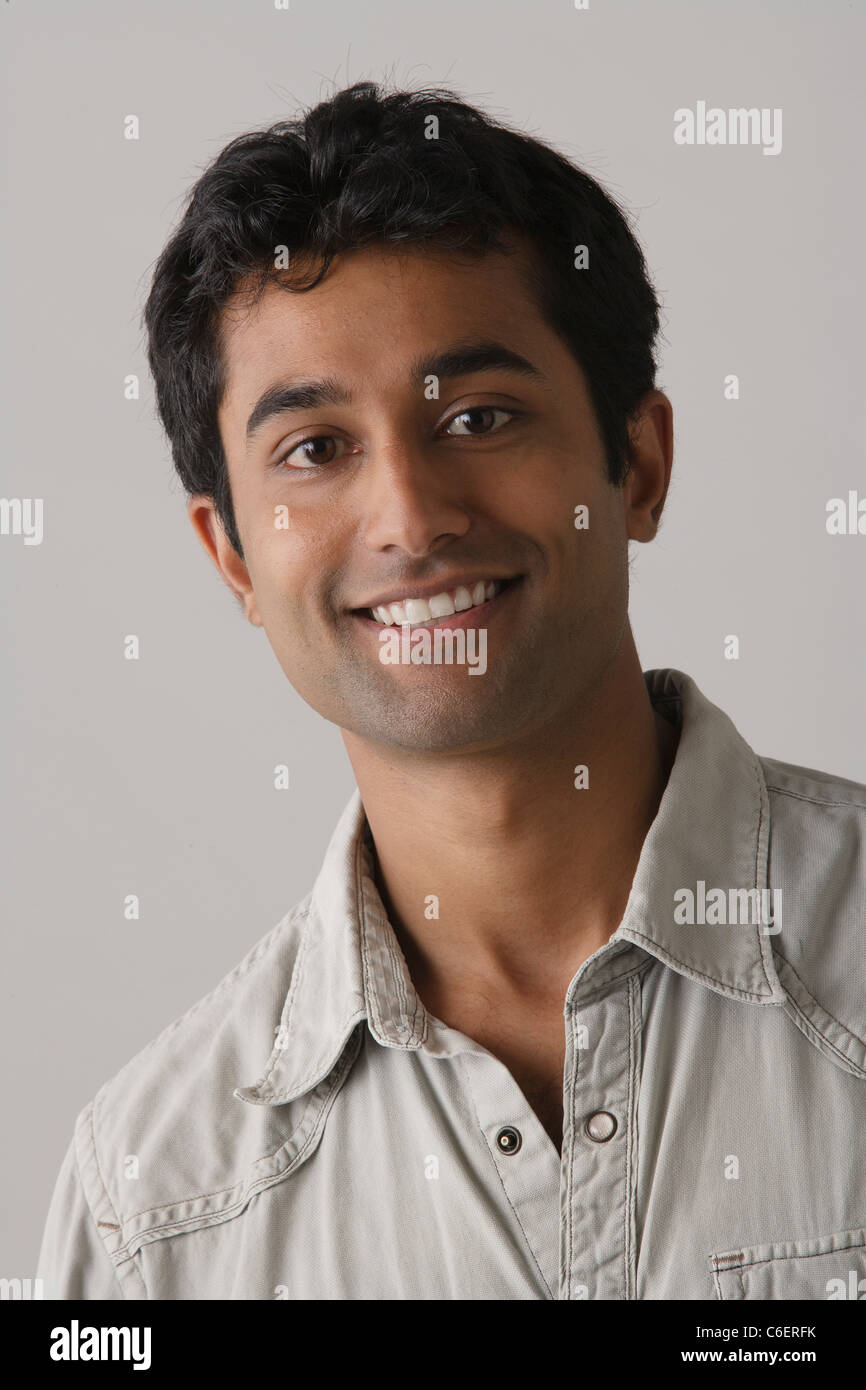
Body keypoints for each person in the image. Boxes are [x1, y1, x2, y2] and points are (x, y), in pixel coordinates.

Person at [38, 80, 866, 1301]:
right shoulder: (153, 1208)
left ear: (635, 465)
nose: (413, 519)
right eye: (315, 449)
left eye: (478, 415)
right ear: (233, 558)